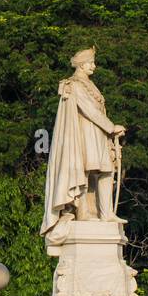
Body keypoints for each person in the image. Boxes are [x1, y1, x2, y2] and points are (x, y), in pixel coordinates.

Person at [41, 46, 125, 242]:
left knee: (106, 170)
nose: (94, 66)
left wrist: (109, 130)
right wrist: (112, 127)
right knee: (84, 171)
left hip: (99, 134)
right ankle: (83, 213)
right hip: (84, 135)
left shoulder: (89, 84)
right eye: (90, 62)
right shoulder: (75, 85)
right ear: (81, 64)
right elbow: (89, 110)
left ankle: (107, 213)